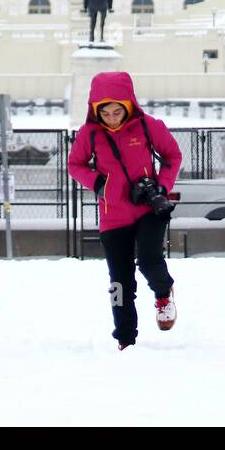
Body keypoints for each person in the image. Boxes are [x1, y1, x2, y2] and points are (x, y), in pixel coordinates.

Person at [67, 70, 183, 351]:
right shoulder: (89, 135)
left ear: (128, 105)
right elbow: (75, 164)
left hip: (148, 209)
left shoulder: (147, 126)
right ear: (96, 111)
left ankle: (163, 293)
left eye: (117, 111)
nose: (112, 118)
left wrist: (161, 188)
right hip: (113, 216)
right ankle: (125, 339)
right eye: (105, 113)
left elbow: (172, 155)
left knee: (148, 261)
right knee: (119, 281)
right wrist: (100, 186)